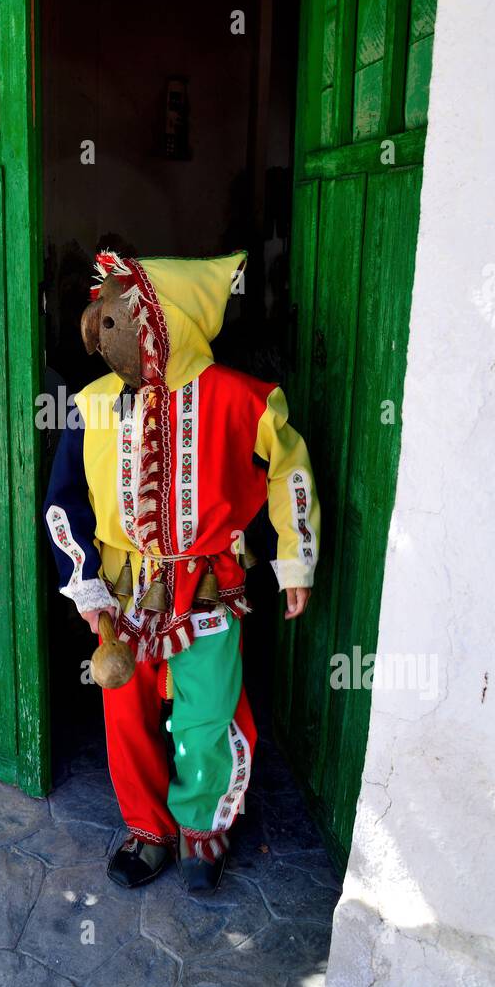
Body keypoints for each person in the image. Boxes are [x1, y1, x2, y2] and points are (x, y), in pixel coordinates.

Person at [43, 251, 320, 893]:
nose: (104, 335)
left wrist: (294, 557)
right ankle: (148, 827)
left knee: (207, 711)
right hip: (123, 591)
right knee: (125, 711)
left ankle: (202, 827)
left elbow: (290, 468)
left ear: (167, 323)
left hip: (210, 587)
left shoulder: (238, 398)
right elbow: (65, 501)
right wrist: (85, 586)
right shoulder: (93, 406)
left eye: (124, 319)